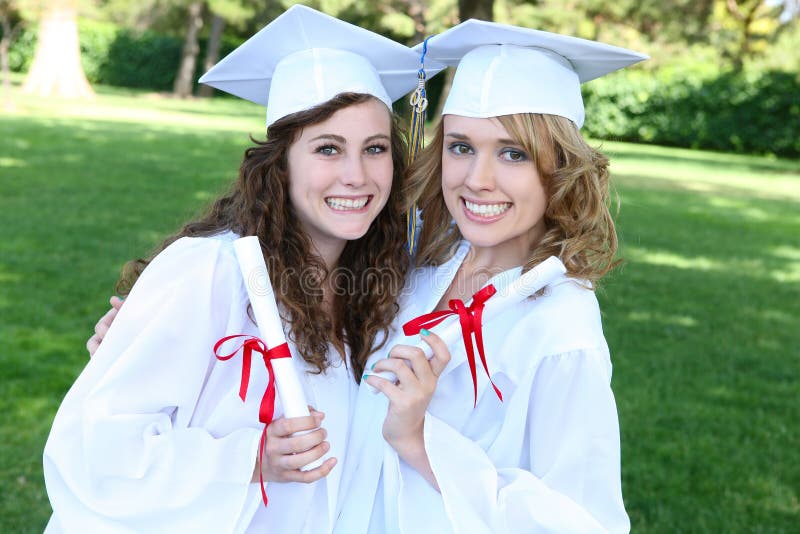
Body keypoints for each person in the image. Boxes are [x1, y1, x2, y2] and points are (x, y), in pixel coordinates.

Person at [42, 5, 443, 533]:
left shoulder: (375, 288)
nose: (357, 175)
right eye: (328, 148)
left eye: (376, 149)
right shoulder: (208, 271)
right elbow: (96, 448)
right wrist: (252, 461)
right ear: (279, 164)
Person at [336, 20, 647, 533]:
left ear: (561, 167)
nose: (477, 180)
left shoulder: (559, 325)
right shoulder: (427, 267)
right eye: (461, 147)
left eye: (513, 153)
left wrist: (420, 441)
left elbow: (582, 520)